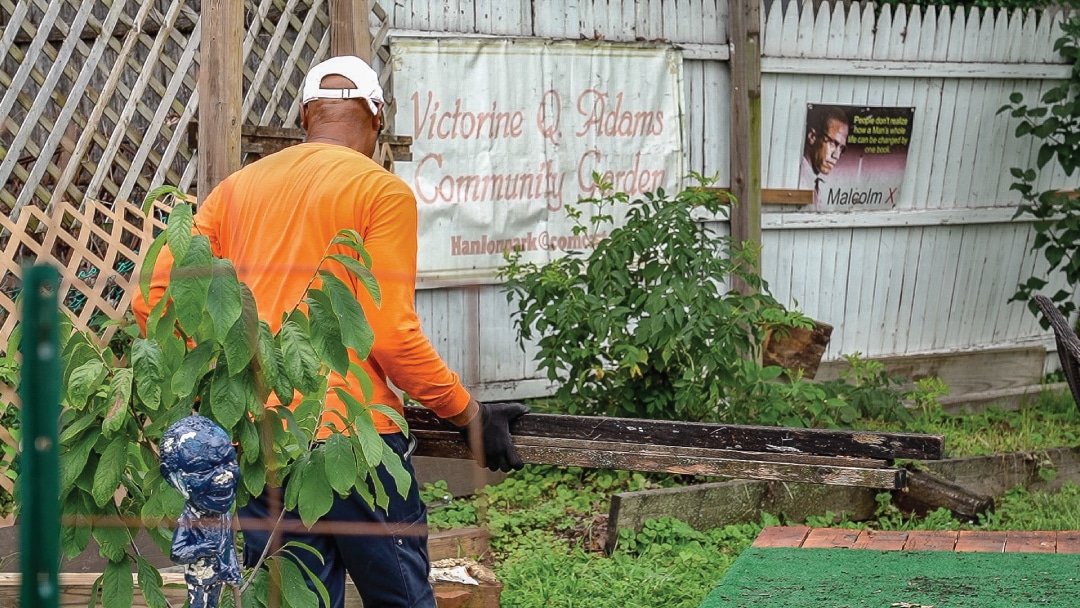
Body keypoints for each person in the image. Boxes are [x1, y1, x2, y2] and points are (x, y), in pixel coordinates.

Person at [133, 55, 529, 608]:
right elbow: (391, 333)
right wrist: (468, 414)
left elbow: (152, 298)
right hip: (353, 442)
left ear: (304, 117)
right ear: (378, 119)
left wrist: (221, 387)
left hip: (260, 441)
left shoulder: (234, 190)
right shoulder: (380, 191)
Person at [160, 415, 243, 608]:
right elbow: (177, 552)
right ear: (174, 479)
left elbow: (227, 545)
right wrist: (201, 549)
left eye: (229, 461)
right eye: (203, 469)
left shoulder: (224, 515)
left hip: (219, 574)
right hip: (198, 578)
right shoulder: (188, 519)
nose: (224, 476)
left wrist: (231, 567)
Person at [799, 104, 850, 207]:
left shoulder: (815, 182)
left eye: (841, 148)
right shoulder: (796, 180)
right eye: (833, 143)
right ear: (812, 137)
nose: (836, 155)